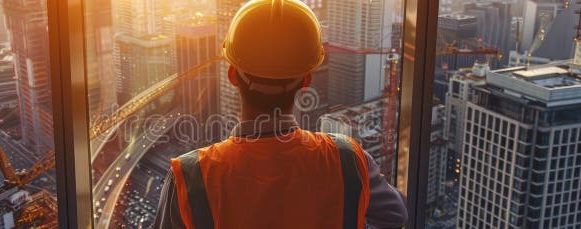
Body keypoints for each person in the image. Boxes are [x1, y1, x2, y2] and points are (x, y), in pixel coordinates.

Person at [153, 0, 407, 228]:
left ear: (232, 76)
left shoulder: (190, 179)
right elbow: (396, 216)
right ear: (306, 79)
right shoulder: (346, 160)